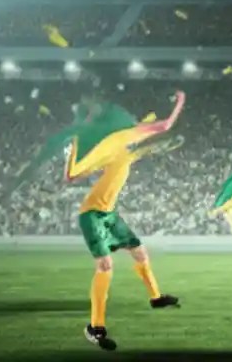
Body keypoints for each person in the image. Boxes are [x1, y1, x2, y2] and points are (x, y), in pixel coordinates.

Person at [80, 94, 185, 352]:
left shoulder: (129, 152)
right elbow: (87, 160)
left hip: (110, 214)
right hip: (92, 214)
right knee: (105, 265)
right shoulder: (111, 149)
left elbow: (161, 129)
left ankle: (156, 298)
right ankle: (95, 327)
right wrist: (90, 122)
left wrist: (178, 104)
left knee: (140, 253)